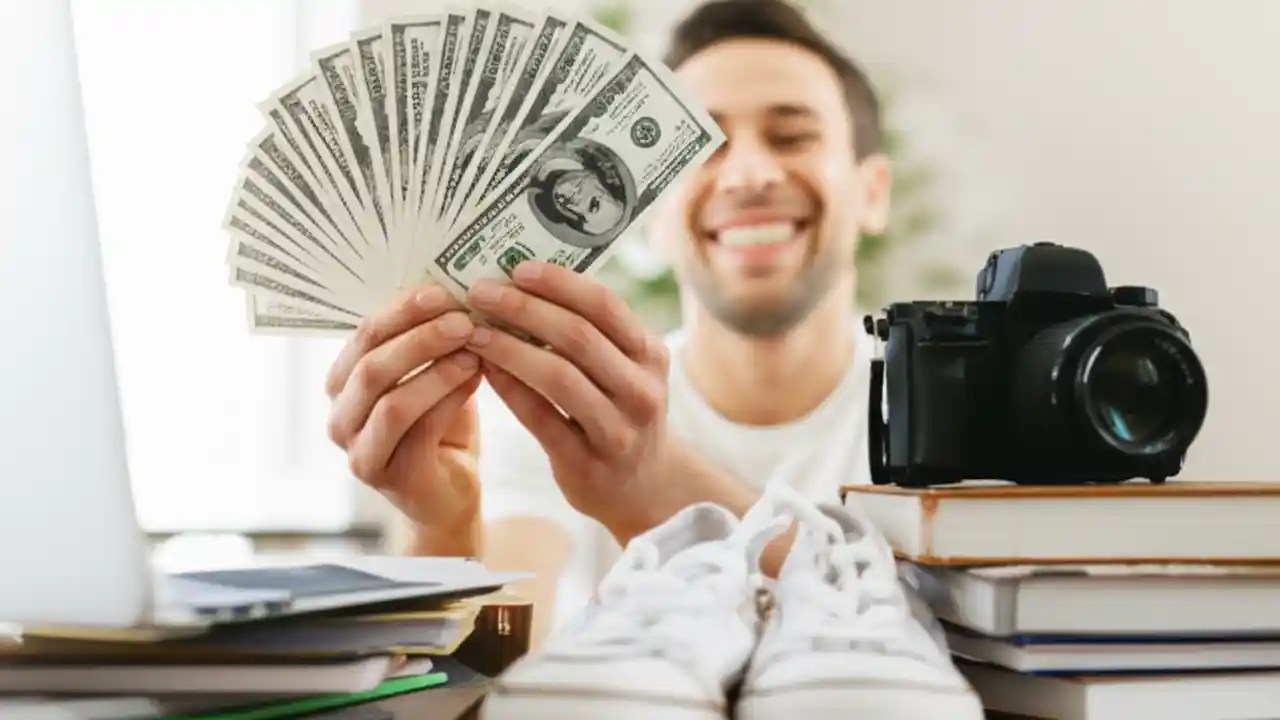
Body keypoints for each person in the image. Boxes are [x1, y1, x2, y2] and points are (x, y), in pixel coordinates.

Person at [323, 0, 892, 643]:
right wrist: (439, 530)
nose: (749, 175)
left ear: (872, 192)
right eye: (707, 145)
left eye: (792, 137)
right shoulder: (564, 413)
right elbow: (500, 680)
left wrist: (657, 489)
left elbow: (933, 654)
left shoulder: (948, 424)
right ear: (650, 211)